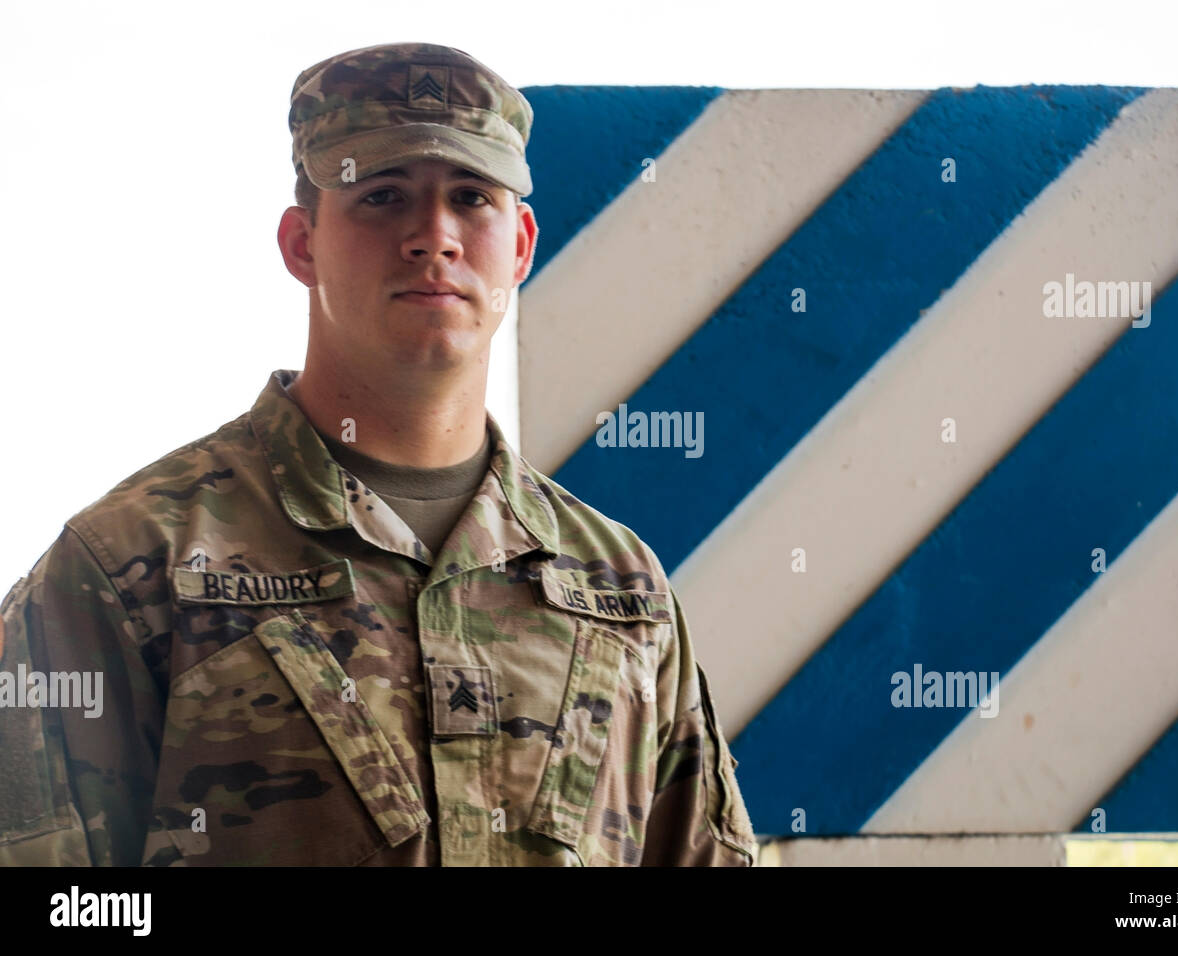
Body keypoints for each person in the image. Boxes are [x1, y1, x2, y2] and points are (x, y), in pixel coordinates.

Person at [0, 42, 758, 867]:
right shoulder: (131, 566)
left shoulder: (621, 592)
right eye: (382, 196)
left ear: (521, 245)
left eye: (472, 198)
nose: (433, 235)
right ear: (302, 243)